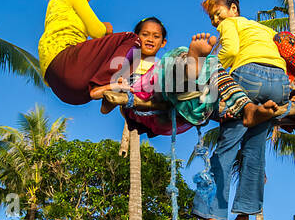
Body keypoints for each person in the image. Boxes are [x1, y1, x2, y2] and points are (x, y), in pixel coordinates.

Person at [192, 0, 290, 220]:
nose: (215, 20)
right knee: (255, 153)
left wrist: (210, 70)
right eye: (212, 17)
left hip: (248, 78)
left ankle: (213, 216)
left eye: (217, 13)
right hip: (280, 84)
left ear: (233, 8)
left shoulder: (230, 25)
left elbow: (232, 50)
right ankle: (245, 217)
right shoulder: (264, 28)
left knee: (226, 150)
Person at [107, 17, 278, 137]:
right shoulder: (128, 62)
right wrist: (116, 85)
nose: (150, 39)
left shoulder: (160, 65)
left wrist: (220, 110)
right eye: (145, 35)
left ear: (163, 42)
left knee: (210, 64)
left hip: (179, 103)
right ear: (136, 37)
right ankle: (191, 61)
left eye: (156, 36)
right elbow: (105, 103)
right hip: (147, 104)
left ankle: (247, 108)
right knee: (175, 58)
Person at [39, 0, 141, 105]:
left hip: (63, 89)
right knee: (131, 39)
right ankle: (111, 81)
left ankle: (107, 89)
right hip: (66, 64)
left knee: (109, 54)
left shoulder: (56, 8)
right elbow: (98, 31)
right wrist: (107, 28)